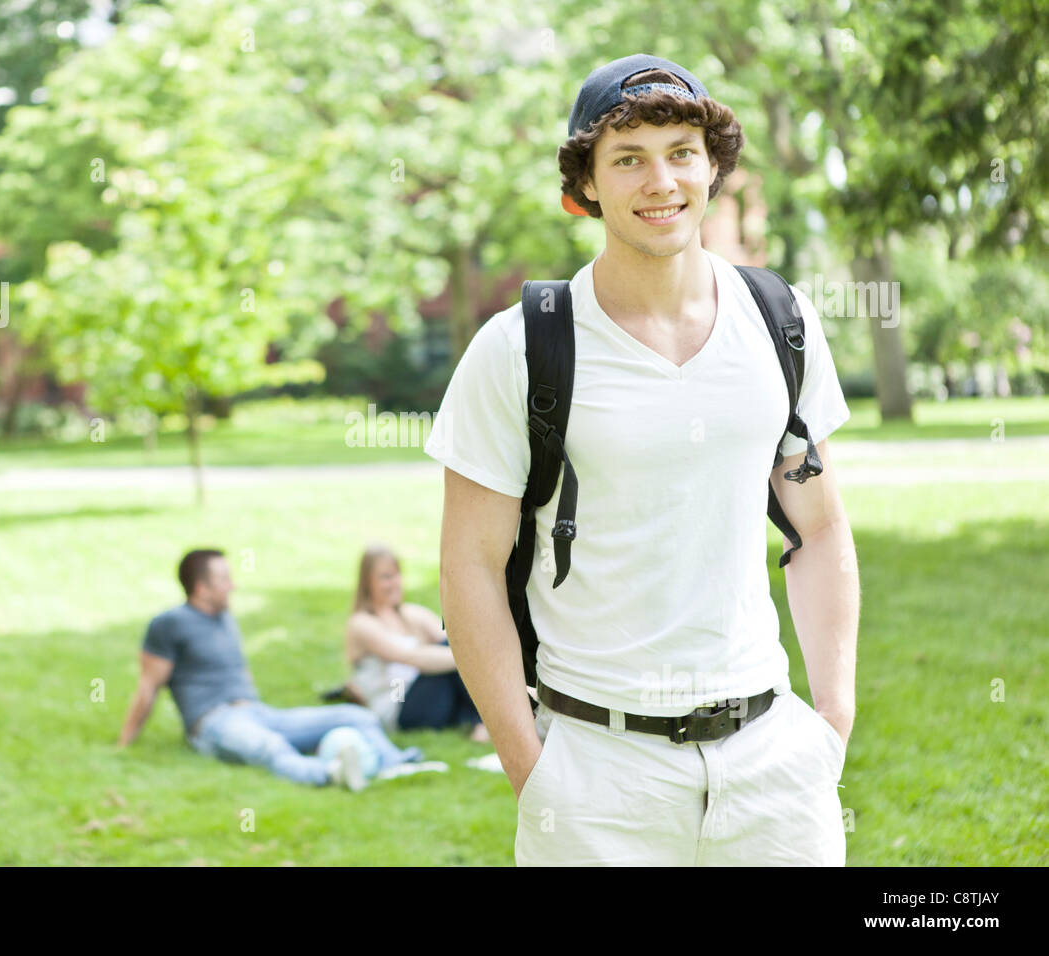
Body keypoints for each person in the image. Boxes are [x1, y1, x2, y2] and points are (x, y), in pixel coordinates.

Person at [426, 54, 858, 865]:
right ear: (585, 184)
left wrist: (832, 716)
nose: (661, 180)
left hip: (774, 767)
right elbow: (468, 569)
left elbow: (820, 527)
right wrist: (533, 766)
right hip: (597, 775)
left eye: (681, 151)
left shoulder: (781, 320)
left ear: (712, 165)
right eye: (628, 159)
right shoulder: (520, 349)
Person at [116, 548, 422, 790]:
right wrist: (124, 743)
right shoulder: (169, 624)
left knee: (356, 716)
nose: (233, 585)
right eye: (224, 580)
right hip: (213, 722)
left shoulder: (224, 616)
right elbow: (148, 686)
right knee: (270, 747)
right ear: (201, 588)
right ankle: (330, 774)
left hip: (257, 713)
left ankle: (396, 763)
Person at [345, 545, 490, 742]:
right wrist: (467, 658)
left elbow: (458, 640)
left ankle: (485, 719)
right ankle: (482, 722)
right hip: (399, 706)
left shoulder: (411, 614)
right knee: (455, 654)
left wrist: (471, 653)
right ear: (367, 583)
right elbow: (408, 657)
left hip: (430, 700)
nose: (394, 583)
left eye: (396, 575)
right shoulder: (362, 623)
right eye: (385, 577)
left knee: (456, 645)